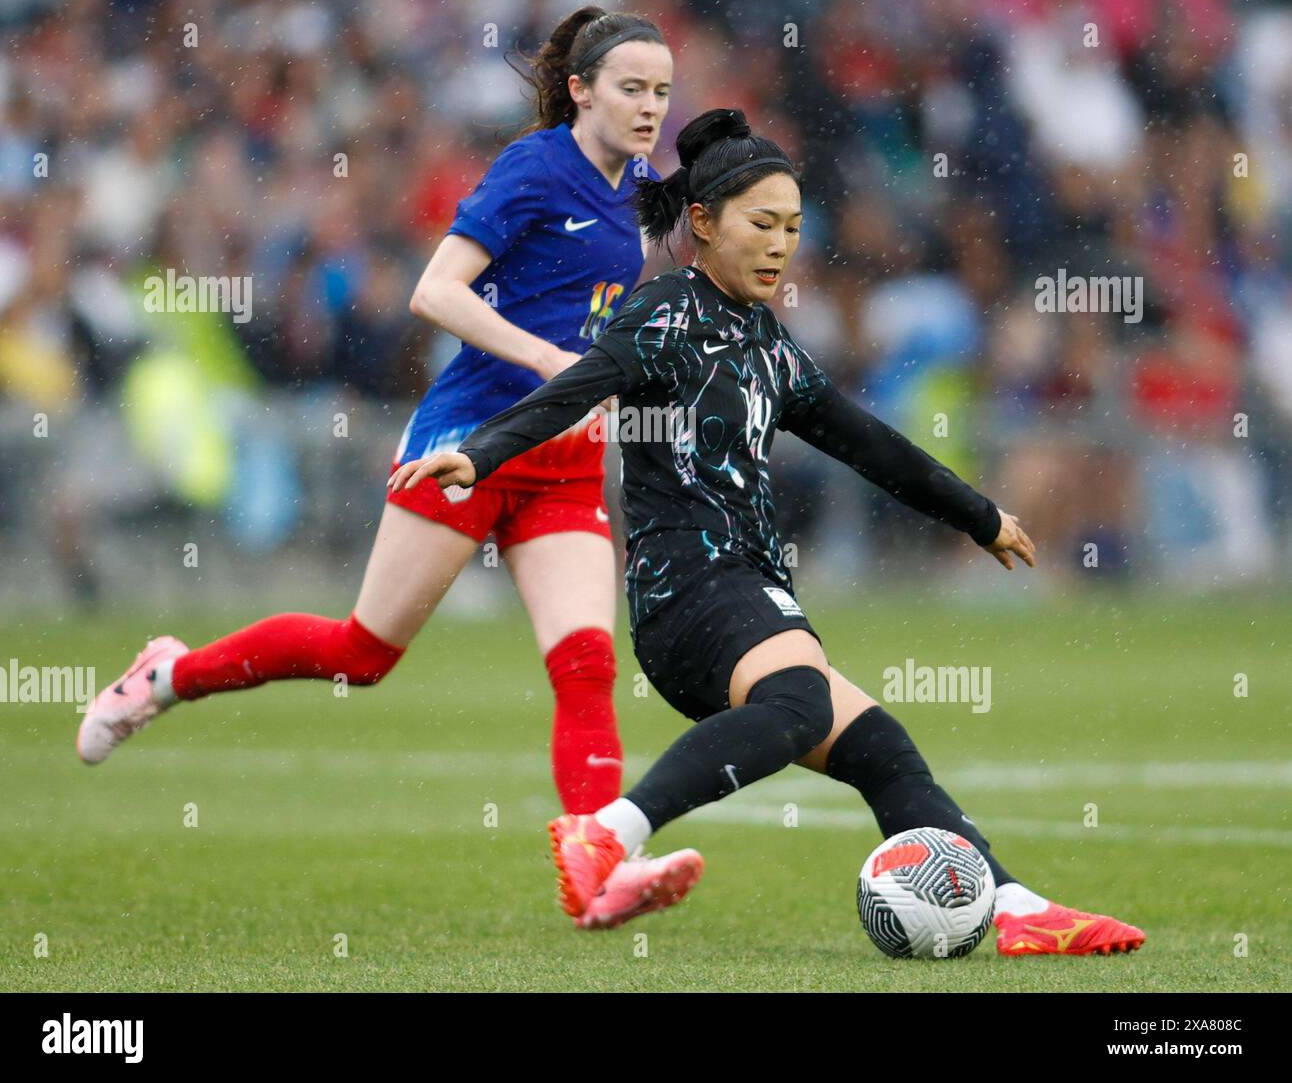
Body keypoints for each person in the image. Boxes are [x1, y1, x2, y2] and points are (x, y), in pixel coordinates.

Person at [390, 108, 1146, 956]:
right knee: (802, 700)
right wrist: (480, 455)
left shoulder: (768, 341)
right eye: (762, 224)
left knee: (884, 752)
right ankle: (609, 829)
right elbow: (576, 387)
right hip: (688, 591)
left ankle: (1015, 908)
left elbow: (866, 441)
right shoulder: (662, 316)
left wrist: (979, 517)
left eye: (792, 226)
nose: (781, 244)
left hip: (749, 591)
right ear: (704, 224)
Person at [76, 6, 702, 930]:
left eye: (661, 90)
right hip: (469, 443)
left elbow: (609, 303)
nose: (652, 106)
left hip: (565, 456)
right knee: (362, 653)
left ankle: (594, 862)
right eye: (631, 88)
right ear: (581, 89)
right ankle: (170, 674)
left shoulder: (644, 186)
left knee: (585, 664)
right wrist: (546, 361)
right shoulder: (533, 168)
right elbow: (434, 290)